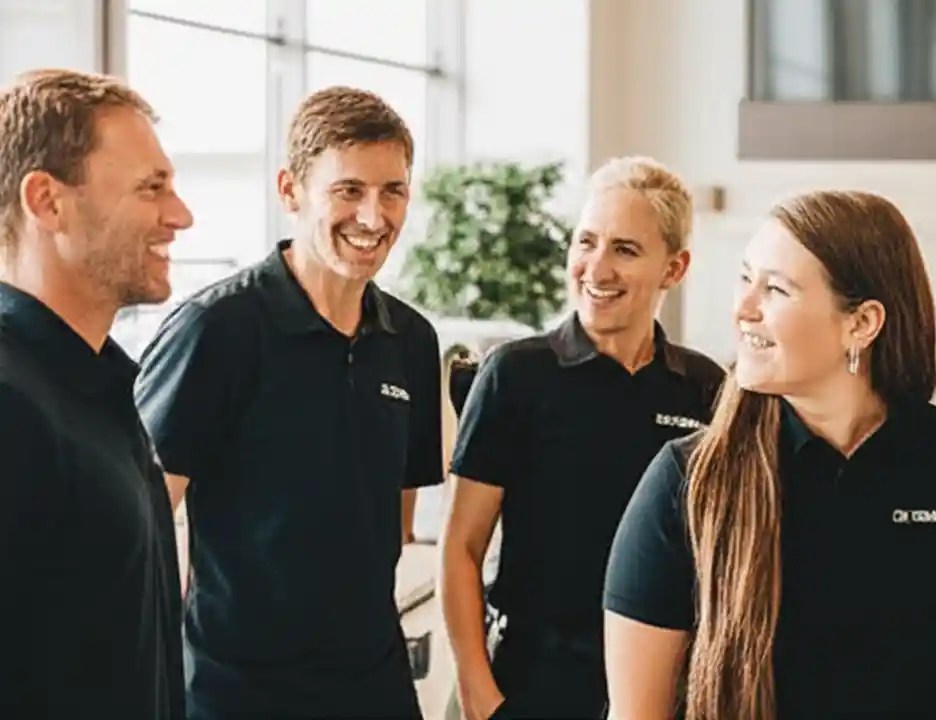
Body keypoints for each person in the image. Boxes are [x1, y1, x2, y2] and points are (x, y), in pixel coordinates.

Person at [604, 189, 936, 719]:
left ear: (861, 323)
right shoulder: (688, 480)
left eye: (775, 289)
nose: (745, 308)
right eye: (746, 279)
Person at [134, 86, 442, 720]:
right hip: (238, 691)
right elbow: (136, 519)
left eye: (393, 191)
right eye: (348, 190)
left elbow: (396, 517)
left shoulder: (411, 340)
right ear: (290, 190)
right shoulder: (216, 329)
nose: (373, 215)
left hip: (373, 684)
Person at [441, 156, 725, 720]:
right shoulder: (516, 376)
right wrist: (478, 691)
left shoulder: (704, 389)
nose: (596, 267)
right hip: (528, 682)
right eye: (586, 241)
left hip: (658, 689)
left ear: (674, 267)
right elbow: (462, 546)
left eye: (625, 249)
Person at [0, 69, 192, 718]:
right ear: (48, 201)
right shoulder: (11, 403)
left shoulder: (98, 385)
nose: (180, 215)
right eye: (151, 188)